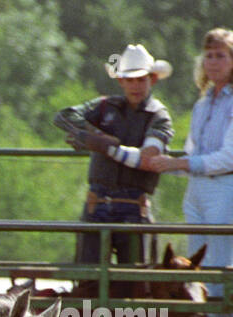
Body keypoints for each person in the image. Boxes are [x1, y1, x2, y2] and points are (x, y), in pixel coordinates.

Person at [147, 28, 233, 317]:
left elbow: (230, 156)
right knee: (198, 275)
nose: (212, 62)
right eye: (209, 55)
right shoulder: (204, 104)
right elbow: (193, 154)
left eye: (220, 55)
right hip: (198, 189)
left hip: (224, 187)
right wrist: (162, 162)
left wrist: (177, 163)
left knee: (222, 279)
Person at [54, 44, 174, 265]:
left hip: (133, 205)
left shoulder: (159, 115)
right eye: (130, 80)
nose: (135, 86)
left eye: (141, 79)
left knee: (135, 281)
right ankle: (90, 302)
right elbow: (64, 116)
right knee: (88, 279)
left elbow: (148, 157)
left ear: (152, 79)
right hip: (97, 201)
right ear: (120, 81)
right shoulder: (104, 106)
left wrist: (103, 145)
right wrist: (96, 135)